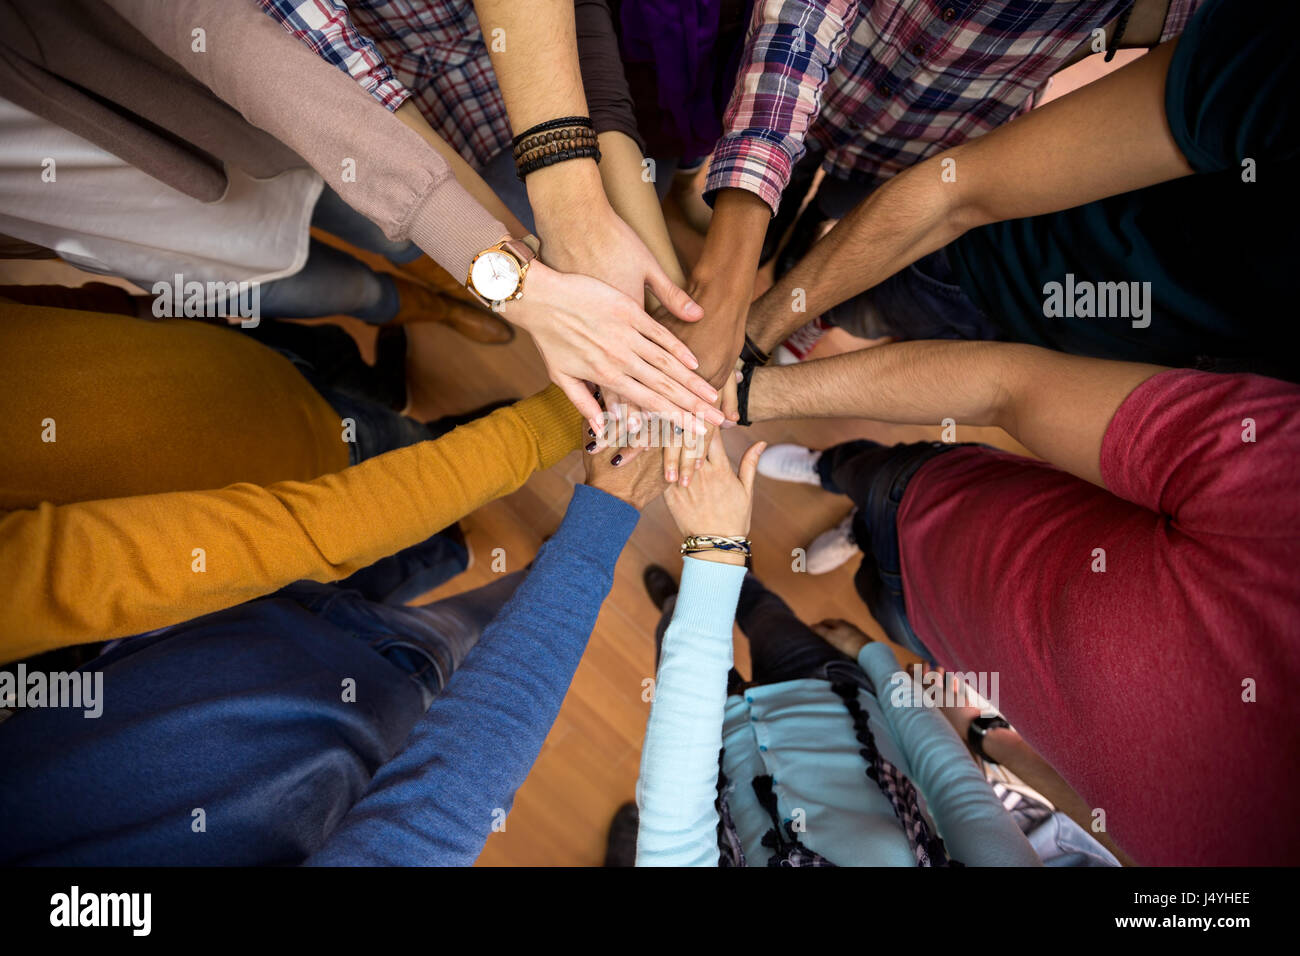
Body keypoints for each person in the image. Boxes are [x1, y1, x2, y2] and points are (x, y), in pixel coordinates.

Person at [1, 0, 721, 430]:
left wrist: (571, 224)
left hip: (472, 88)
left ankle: (465, 292)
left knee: (410, 237)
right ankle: (442, 299)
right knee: (379, 244)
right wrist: (522, 270)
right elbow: (315, 60)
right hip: (296, 128)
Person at [736, 338, 1300, 865]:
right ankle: (824, 470)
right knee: (858, 469)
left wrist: (987, 737)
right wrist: (749, 394)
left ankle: (857, 531)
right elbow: (1010, 387)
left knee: (869, 586)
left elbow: (1102, 823)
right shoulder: (1282, 502)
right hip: (936, 495)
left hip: (932, 637)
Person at [0, 447, 666, 865]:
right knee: (476, 623)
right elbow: (435, 811)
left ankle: (488, 561)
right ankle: (528, 570)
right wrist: (596, 524)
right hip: (377, 680)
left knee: (414, 581)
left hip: (221, 619)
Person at [743, 0, 1300, 381]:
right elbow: (960, 194)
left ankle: (802, 273)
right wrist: (748, 315)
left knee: (845, 226)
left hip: (935, 145)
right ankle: (776, 256)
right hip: (853, 105)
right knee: (803, 199)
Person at [0, 301, 586, 662]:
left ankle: (413, 417)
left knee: (356, 389)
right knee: (402, 447)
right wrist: (570, 414)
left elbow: (64, 303)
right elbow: (296, 532)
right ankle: (434, 439)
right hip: (310, 463)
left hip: (230, 364)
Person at [630, 432, 1040, 866]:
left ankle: (680, 601)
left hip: (710, 754)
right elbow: (952, 782)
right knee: (767, 615)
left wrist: (713, 555)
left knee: (675, 631)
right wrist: (873, 655)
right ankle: (740, 581)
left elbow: (671, 837)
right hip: (826, 694)